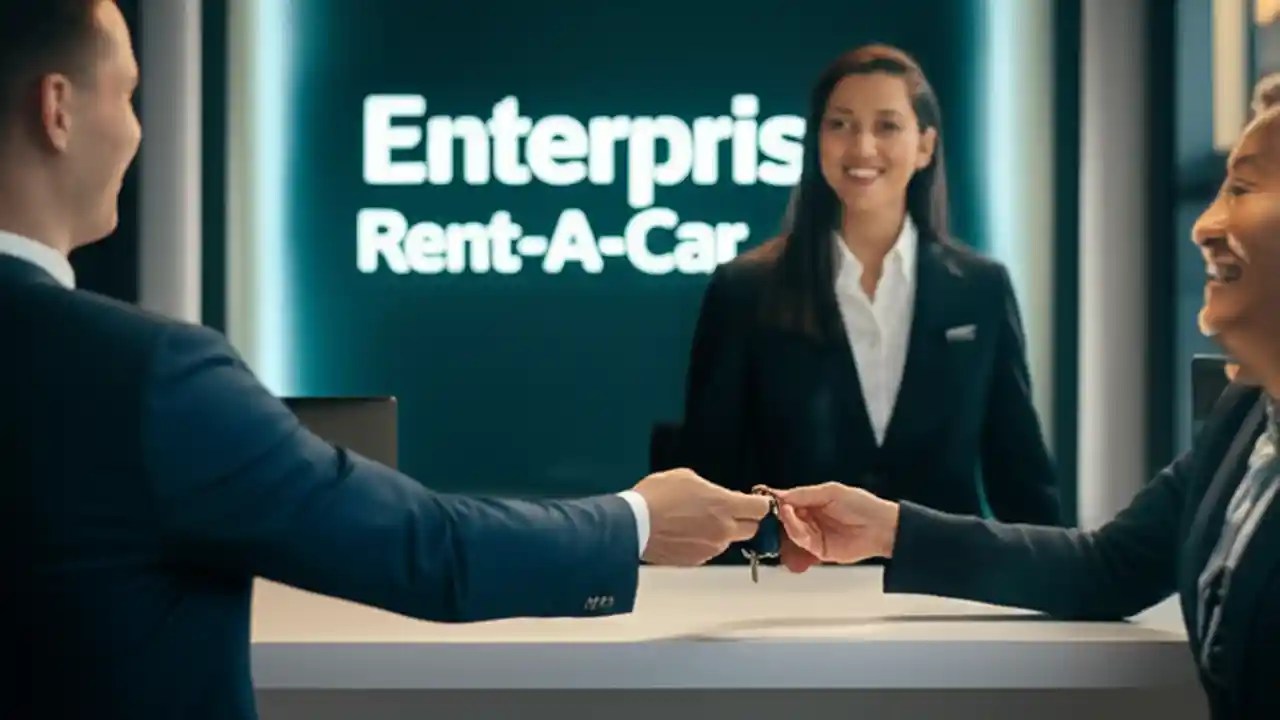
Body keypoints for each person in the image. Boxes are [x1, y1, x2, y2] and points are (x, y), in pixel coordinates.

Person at [0, 2, 771, 719]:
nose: (138, 131)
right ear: (58, 108)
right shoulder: (147, 375)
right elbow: (427, 548)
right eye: (128, 94)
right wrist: (634, 523)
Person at [767, 107, 1280, 719]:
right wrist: (886, 529)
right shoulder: (1246, 415)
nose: (1205, 225)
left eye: (1243, 188)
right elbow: (1107, 569)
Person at [677, 43, 1063, 557]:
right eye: (840, 125)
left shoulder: (980, 289)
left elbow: (1019, 474)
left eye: (887, 126)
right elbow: (711, 481)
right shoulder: (745, 290)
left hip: (946, 596)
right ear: (817, 141)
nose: (862, 147)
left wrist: (1066, 589)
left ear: (925, 146)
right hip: (786, 595)